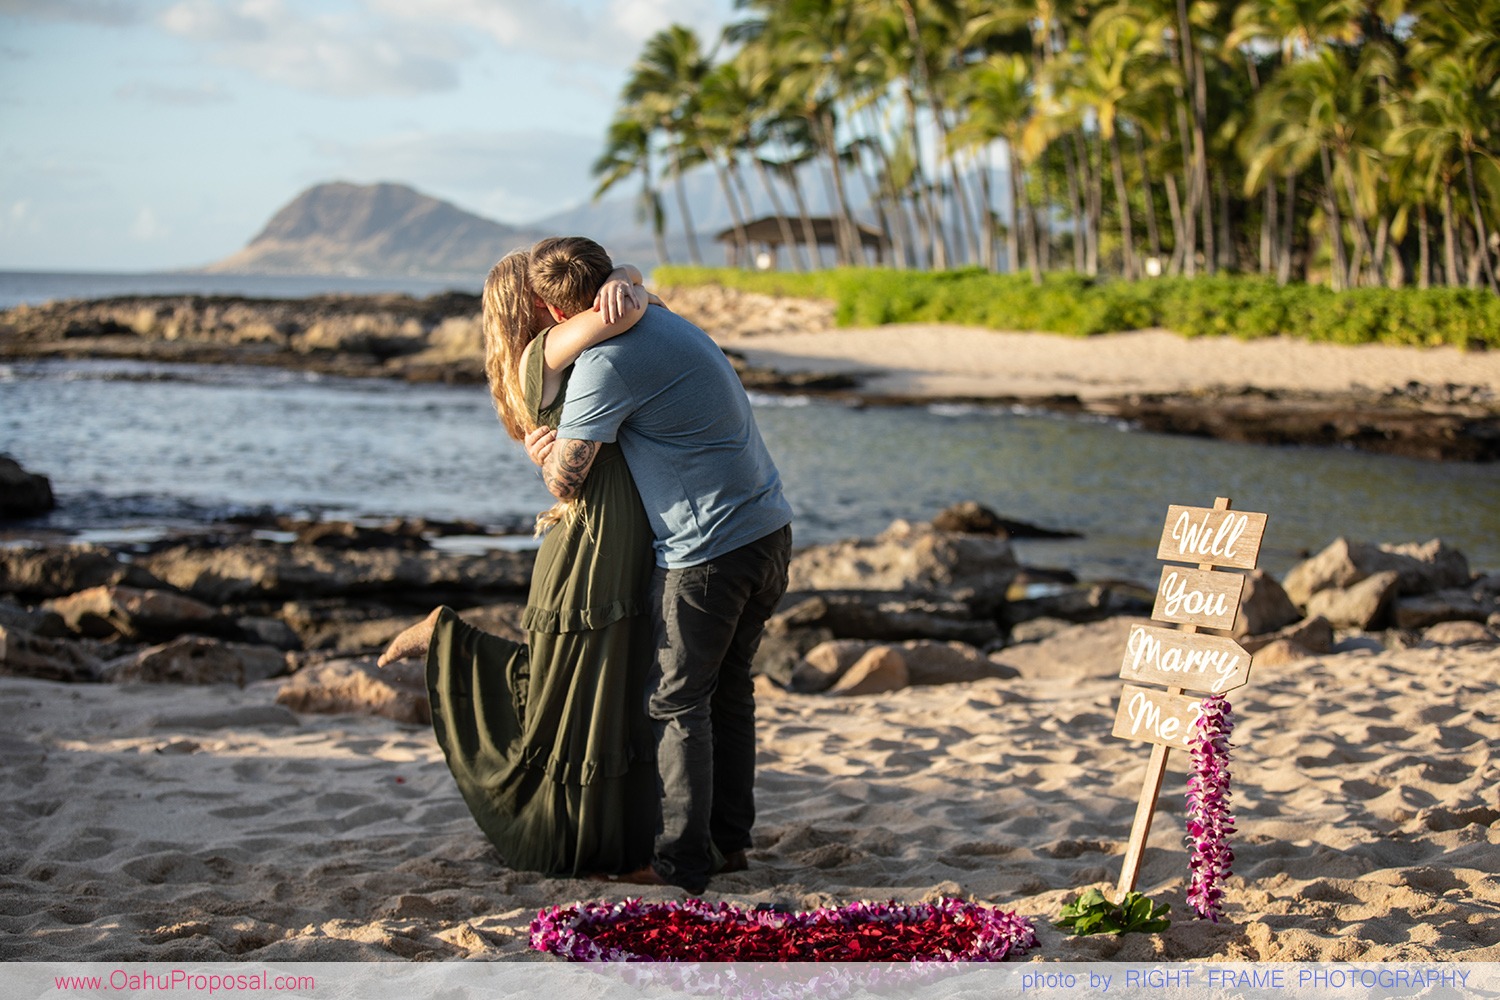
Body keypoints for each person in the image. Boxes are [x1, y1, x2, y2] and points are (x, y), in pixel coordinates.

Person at [379, 249, 661, 877]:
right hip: (591, 542)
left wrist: (629, 276)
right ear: (534, 306)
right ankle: (447, 638)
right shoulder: (545, 357)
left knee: (596, 684)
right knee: (577, 685)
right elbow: (618, 317)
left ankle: (623, 842)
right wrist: (626, 285)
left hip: (613, 532)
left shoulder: (563, 359)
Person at [525, 236, 794, 894]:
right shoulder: (662, 315)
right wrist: (630, 277)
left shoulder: (604, 365)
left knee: (677, 706)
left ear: (555, 314)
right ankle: (729, 844)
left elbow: (568, 479)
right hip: (769, 530)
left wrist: (542, 451)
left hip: (707, 554)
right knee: (729, 693)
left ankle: (680, 864)